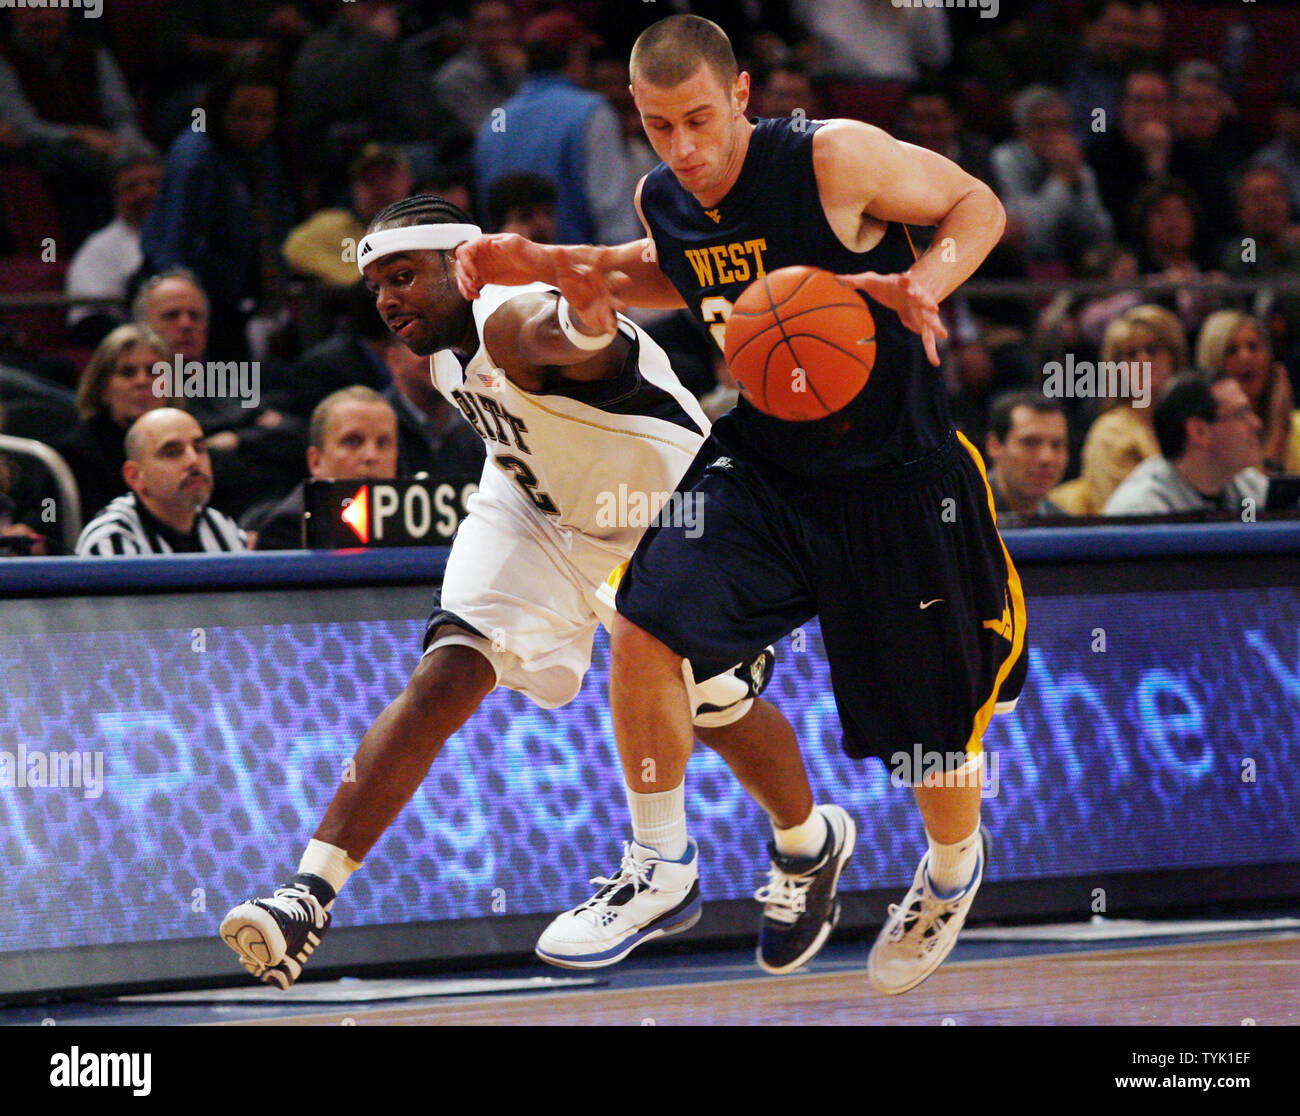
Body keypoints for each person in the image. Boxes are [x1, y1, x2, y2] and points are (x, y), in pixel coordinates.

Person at [457, 14, 1027, 995]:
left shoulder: (834, 161)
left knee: (930, 736)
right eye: (658, 126)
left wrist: (921, 284)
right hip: (768, 469)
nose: (684, 147)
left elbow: (975, 203)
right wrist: (545, 260)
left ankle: (948, 869)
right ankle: (661, 866)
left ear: (743, 100)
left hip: (899, 481)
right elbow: (663, 272)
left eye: (699, 121)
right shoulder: (664, 197)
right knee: (642, 618)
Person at [220, 196, 850, 988]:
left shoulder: (508, 318)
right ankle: (306, 896)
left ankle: (806, 842)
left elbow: (560, 339)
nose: (387, 299)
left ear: (465, 264)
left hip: (670, 522)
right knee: (445, 674)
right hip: (535, 503)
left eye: (405, 275)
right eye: (376, 282)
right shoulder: (442, 344)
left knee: (712, 711)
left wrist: (585, 312)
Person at [473, 10, 640, 247]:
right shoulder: (592, 112)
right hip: (578, 273)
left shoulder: (495, 120)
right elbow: (613, 214)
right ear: (576, 55)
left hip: (508, 273)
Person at [76, 408, 247, 555]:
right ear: (135, 476)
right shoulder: (111, 540)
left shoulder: (222, 527)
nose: (193, 460)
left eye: (199, 448)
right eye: (172, 452)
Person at [249, 386, 400, 551]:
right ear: (316, 461)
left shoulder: (410, 520)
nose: (371, 456)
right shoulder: (292, 527)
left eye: (383, 443)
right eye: (353, 441)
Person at [1071, 304, 1186, 515]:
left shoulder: (1194, 421)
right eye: (1131, 354)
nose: (1143, 360)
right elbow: (1116, 516)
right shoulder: (1109, 432)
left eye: (1152, 349)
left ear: (1174, 356)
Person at [56, 324, 175, 526]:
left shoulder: (188, 444)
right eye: (127, 373)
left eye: (153, 372)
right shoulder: (76, 453)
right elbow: (46, 514)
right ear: (102, 387)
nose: (142, 381)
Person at [1104, 373, 1266, 515]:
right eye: (1242, 414)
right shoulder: (1140, 512)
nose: (1257, 424)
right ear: (1199, 432)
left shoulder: (1246, 485)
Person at [64, 145, 164, 344]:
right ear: (115, 196)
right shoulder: (98, 249)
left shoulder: (196, 236)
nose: (145, 192)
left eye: (154, 183)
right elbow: (89, 324)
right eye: (131, 186)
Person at [1196, 310, 1300, 476]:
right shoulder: (1208, 437)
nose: (1245, 357)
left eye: (1253, 347)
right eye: (1231, 350)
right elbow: (1251, 500)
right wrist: (1278, 430)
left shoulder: (1297, 427)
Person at [984, 392, 1070, 525]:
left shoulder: (1064, 527)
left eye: (1057, 445)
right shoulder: (959, 516)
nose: (1046, 458)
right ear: (994, 445)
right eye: (1030, 442)